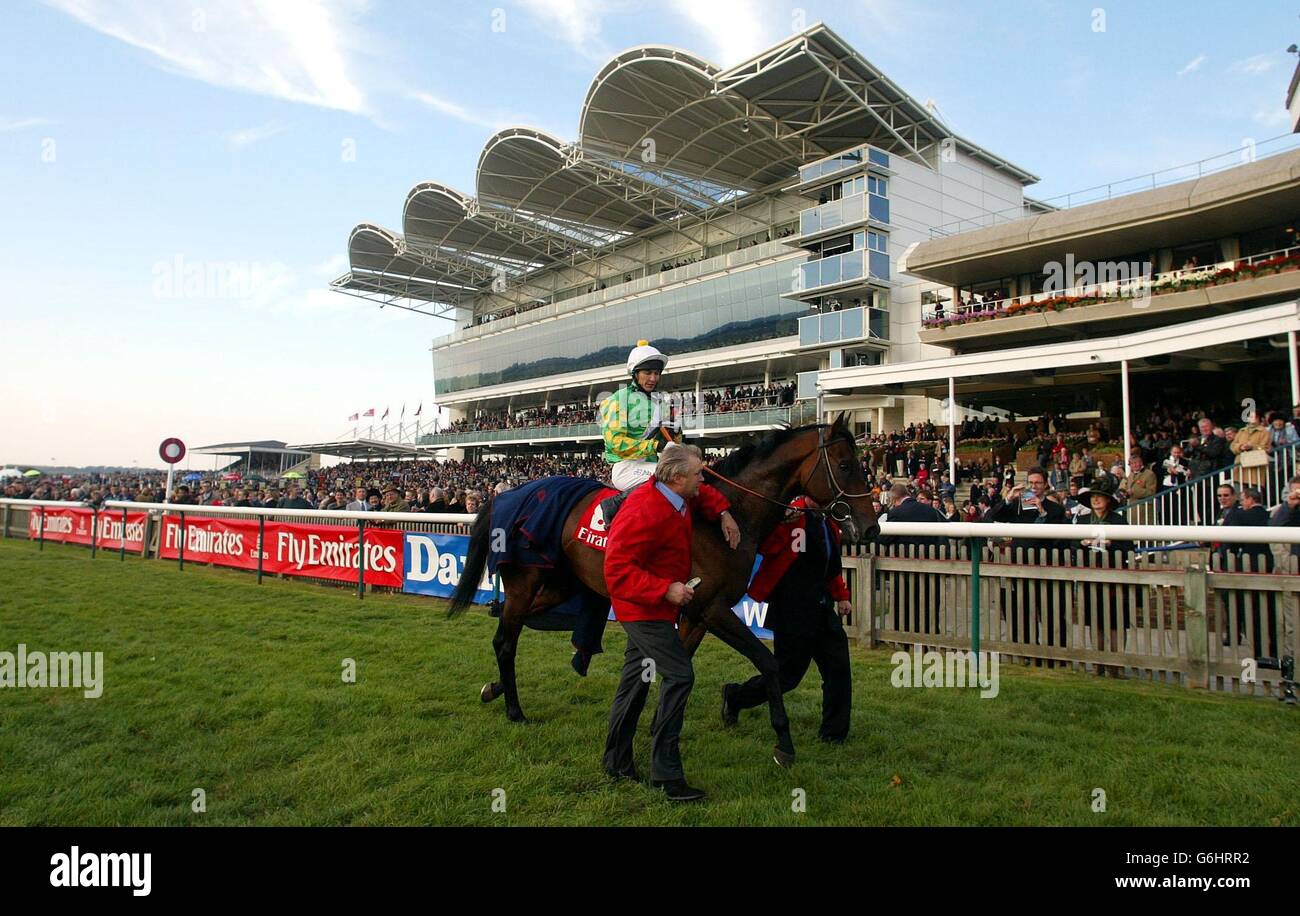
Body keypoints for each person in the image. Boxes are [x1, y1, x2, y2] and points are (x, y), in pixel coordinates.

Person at [602, 445, 710, 801]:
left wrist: (724, 514)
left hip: (651, 608)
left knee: (635, 682)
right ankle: (666, 773)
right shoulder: (645, 507)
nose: (702, 479)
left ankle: (616, 762)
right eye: (698, 474)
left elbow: (705, 495)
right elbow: (616, 572)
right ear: (678, 478)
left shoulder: (674, 496)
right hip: (642, 610)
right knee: (680, 675)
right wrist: (666, 590)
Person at [721, 495, 853, 743]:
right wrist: (780, 521)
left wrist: (841, 596)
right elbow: (765, 547)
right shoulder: (789, 515)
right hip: (791, 610)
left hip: (823, 608)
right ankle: (736, 696)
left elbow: (829, 566)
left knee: (839, 670)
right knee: (787, 676)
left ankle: (834, 735)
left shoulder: (828, 523)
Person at [1231, 409, 1272, 490]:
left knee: (1255, 492)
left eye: (1255, 417)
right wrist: (1240, 447)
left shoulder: (1264, 432)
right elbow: (1232, 446)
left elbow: (1266, 447)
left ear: (1259, 418)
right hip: (1240, 466)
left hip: (1256, 466)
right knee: (1239, 492)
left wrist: (1253, 446)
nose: (1252, 419)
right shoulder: (1242, 431)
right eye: (1250, 417)